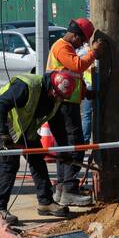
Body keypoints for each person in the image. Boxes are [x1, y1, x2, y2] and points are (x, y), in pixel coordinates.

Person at [0, 69, 77, 223]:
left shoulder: (56, 98)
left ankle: (46, 202)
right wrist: (4, 134)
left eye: (62, 98)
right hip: (7, 122)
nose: (59, 99)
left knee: (37, 161)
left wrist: (63, 150)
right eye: (58, 95)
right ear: (52, 87)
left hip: (26, 127)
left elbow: (57, 126)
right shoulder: (26, 86)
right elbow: (1, 105)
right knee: (9, 163)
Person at [46, 18, 103, 205]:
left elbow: (72, 77)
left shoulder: (65, 47)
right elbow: (77, 66)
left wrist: (86, 93)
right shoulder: (62, 47)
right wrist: (94, 52)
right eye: (83, 41)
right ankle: (69, 188)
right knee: (76, 146)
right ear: (76, 35)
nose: (83, 45)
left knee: (65, 146)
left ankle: (62, 189)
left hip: (64, 103)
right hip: (64, 106)